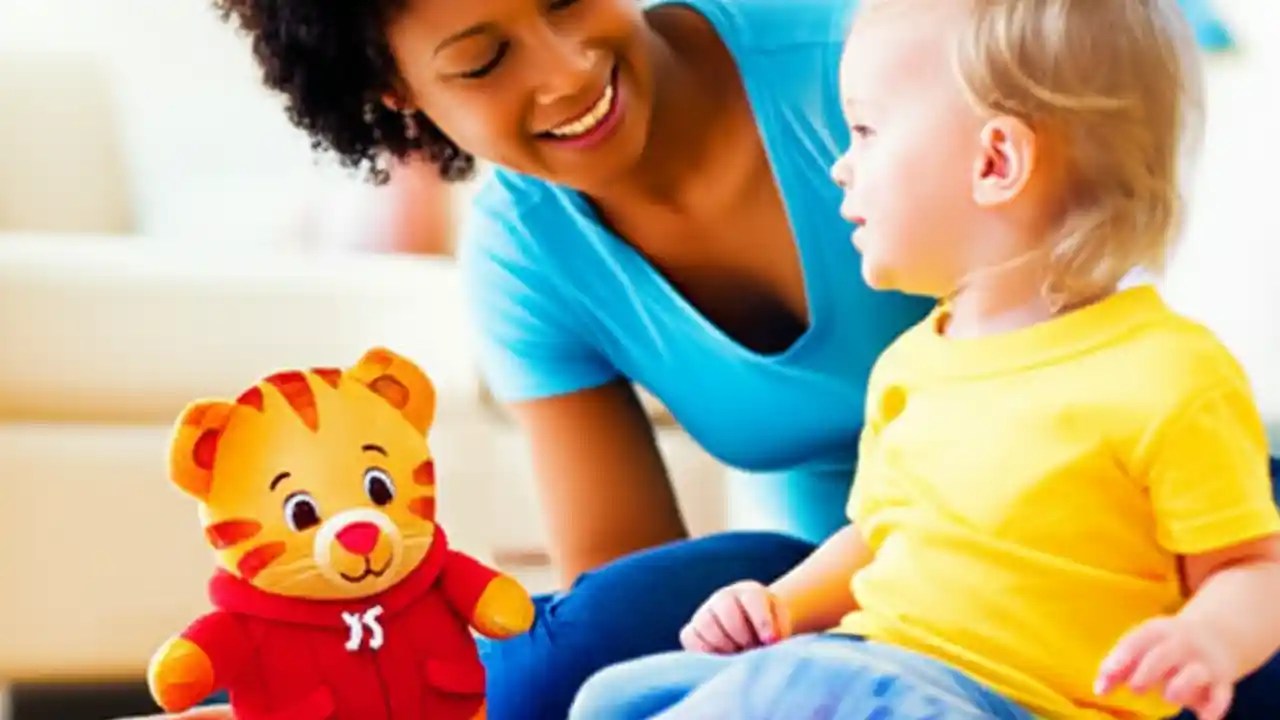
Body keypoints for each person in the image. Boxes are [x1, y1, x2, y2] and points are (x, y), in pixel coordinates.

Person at [141, 0, 1279, 718]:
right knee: (568, 669)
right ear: (403, 97)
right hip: (853, 576)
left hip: (1094, 573)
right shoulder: (524, 251)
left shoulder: (889, 58)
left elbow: (1089, 370)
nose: (566, 68)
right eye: (483, 58)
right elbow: (623, 572)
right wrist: (774, 615)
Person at [566, 1, 1280, 719]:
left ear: (995, 161)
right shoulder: (911, 367)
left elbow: (1252, 568)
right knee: (613, 697)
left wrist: (1207, 639)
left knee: (794, 691)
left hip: (1006, 704)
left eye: (866, 131)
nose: (841, 167)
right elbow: (880, 538)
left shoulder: (1170, 376)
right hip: (867, 664)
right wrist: (779, 604)